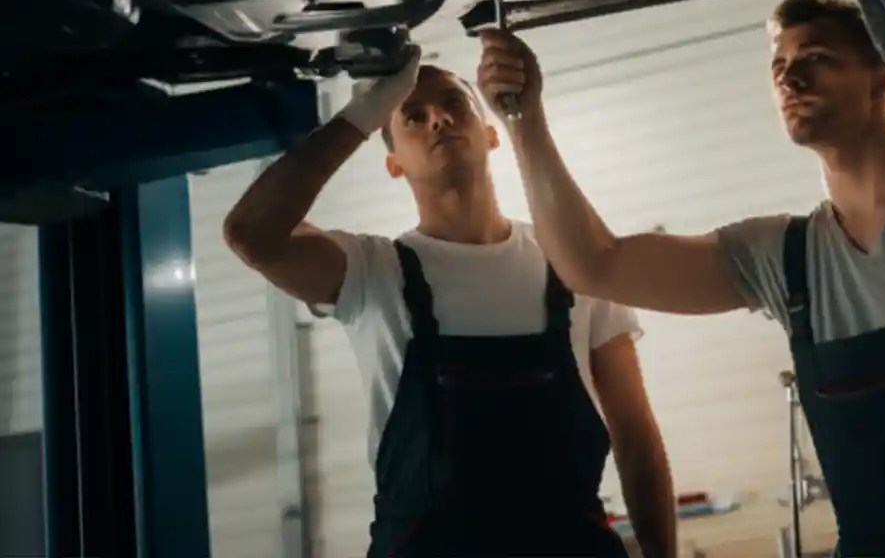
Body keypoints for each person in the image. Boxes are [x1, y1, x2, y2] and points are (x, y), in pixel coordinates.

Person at [476, 0, 885, 558]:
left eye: (817, 59)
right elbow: (594, 265)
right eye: (780, 67)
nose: (790, 80)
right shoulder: (784, 257)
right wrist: (523, 119)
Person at [223, 47, 676, 558]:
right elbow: (250, 234)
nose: (437, 119)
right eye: (413, 116)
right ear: (393, 164)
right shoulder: (372, 272)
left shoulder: (576, 262)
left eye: (454, 103)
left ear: (490, 134)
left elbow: (636, 435)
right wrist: (361, 116)